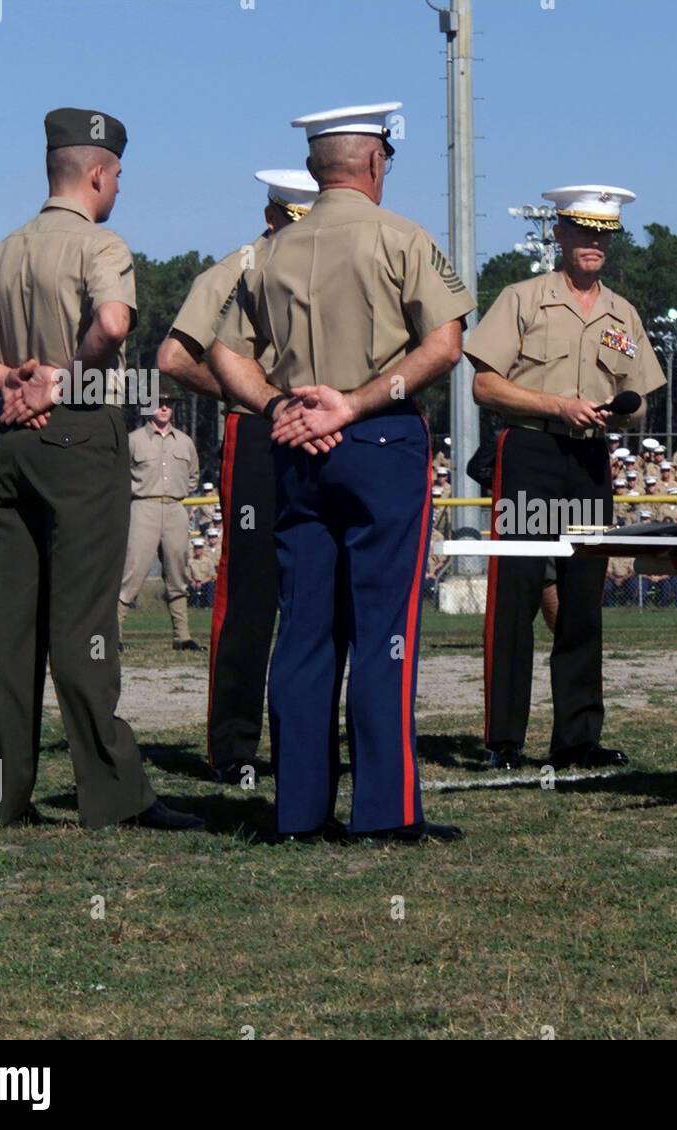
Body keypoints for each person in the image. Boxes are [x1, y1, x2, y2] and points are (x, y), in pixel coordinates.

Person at [0, 106, 199, 829]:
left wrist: (10, 381)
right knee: (83, 627)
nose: (118, 188)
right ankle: (115, 794)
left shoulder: (6, 250)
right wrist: (59, 382)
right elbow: (112, 325)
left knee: (7, 628)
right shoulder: (100, 245)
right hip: (81, 433)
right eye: (118, 177)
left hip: (15, 444)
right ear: (98, 174)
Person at [209, 101, 474, 843]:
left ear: (316, 170)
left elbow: (221, 352)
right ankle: (385, 814)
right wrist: (352, 405)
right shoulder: (403, 238)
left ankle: (298, 812)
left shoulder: (268, 253)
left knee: (305, 631)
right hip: (379, 440)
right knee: (386, 632)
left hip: (296, 445)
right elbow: (445, 346)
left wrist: (278, 406)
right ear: (375, 163)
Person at [465, 184, 666, 771]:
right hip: (528, 452)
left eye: (603, 234)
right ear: (559, 234)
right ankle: (502, 741)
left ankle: (577, 739)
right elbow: (484, 385)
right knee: (516, 596)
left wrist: (622, 410)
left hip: (588, 460)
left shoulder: (621, 313)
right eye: (583, 231)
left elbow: (641, 400)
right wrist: (556, 406)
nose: (594, 243)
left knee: (583, 602)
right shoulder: (523, 298)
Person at [157, 168, 318, 783]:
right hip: (257, 433)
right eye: (295, 222)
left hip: (324, 424)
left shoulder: (324, 264)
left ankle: (303, 741)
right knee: (249, 593)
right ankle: (234, 748)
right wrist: (250, 396)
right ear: (272, 213)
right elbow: (173, 357)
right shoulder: (238, 268)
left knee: (315, 595)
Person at [116, 384, 202, 649]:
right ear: (147, 407)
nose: (164, 407)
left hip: (176, 508)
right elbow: (119, 474)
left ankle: (182, 636)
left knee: (178, 572)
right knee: (133, 571)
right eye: (158, 402)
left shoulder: (185, 442)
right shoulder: (133, 440)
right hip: (143, 507)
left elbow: (193, 477)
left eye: (169, 403)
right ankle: (112, 635)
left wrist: (177, 496)